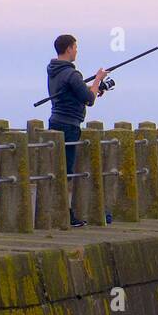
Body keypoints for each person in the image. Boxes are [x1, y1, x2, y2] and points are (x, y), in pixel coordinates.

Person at [46, 34, 107, 227]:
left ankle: (54, 211)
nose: (77, 51)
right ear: (69, 49)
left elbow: (74, 92)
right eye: (75, 47)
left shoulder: (54, 70)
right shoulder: (72, 74)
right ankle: (66, 214)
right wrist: (98, 79)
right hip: (69, 125)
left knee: (57, 168)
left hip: (55, 121)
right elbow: (89, 99)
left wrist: (93, 87)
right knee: (66, 171)